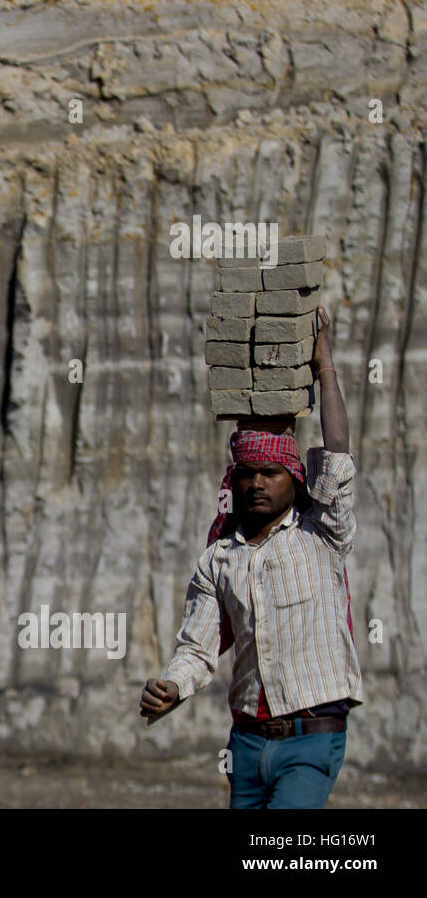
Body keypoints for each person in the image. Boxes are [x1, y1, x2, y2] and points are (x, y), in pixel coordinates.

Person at [141, 307, 362, 808]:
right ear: (233, 481)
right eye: (247, 473)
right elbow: (198, 646)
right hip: (245, 742)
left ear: (294, 478)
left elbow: (338, 452)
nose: (257, 482)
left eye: (270, 472)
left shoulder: (321, 535)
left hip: (312, 736)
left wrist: (323, 365)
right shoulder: (218, 559)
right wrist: (173, 686)